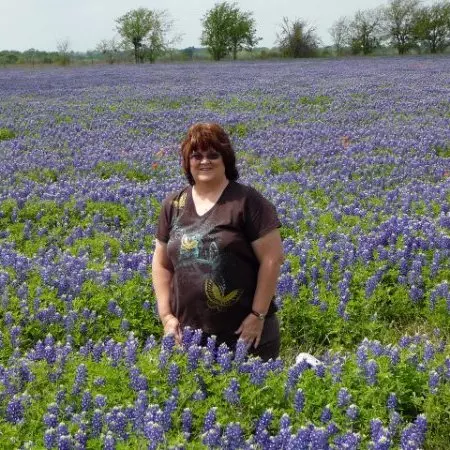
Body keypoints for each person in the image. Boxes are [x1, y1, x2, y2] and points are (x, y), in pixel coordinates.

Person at [152, 122, 284, 361]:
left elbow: (272, 260)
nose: (205, 161)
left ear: (226, 159)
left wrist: (258, 315)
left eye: (213, 155)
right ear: (187, 162)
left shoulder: (247, 201)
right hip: (188, 337)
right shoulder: (173, 205)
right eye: (196, 155)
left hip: (244, 334)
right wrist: (166, 316)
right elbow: (161, 264)